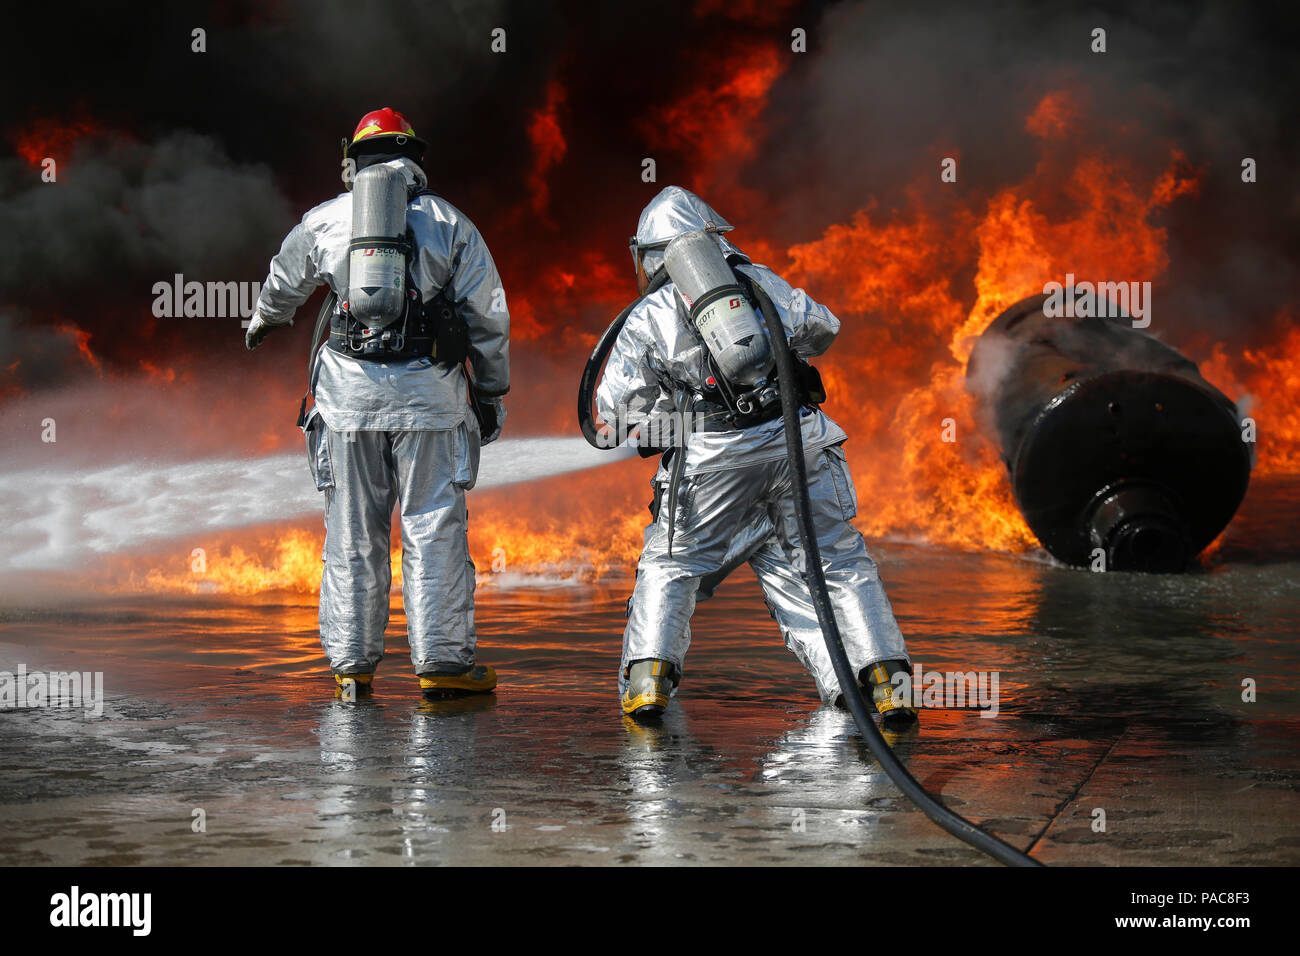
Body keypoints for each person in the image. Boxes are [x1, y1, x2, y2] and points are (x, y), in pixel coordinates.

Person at [596, 185, 916, 726]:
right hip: (800, 443)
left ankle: (649, 682)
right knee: (838, 562)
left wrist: (667, 421)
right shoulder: (759, 283)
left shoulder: (649, 313)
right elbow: (824, 328)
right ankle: (887, 686)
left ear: (648, 254)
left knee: (672, 564)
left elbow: (616, 407)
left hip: (714, 459)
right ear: (712, 238)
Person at [245, 108, 509, 700]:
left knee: (351, 533)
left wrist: (264, 320)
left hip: (344, 402)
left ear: (354, 159)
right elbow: (488, 316)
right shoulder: (449, 223)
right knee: (432, 527)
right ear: (414, 158)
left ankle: (351, 669)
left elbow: (284, 280)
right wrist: (491, 391)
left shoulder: (326, 220)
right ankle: (442, 666)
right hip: (433, 403)